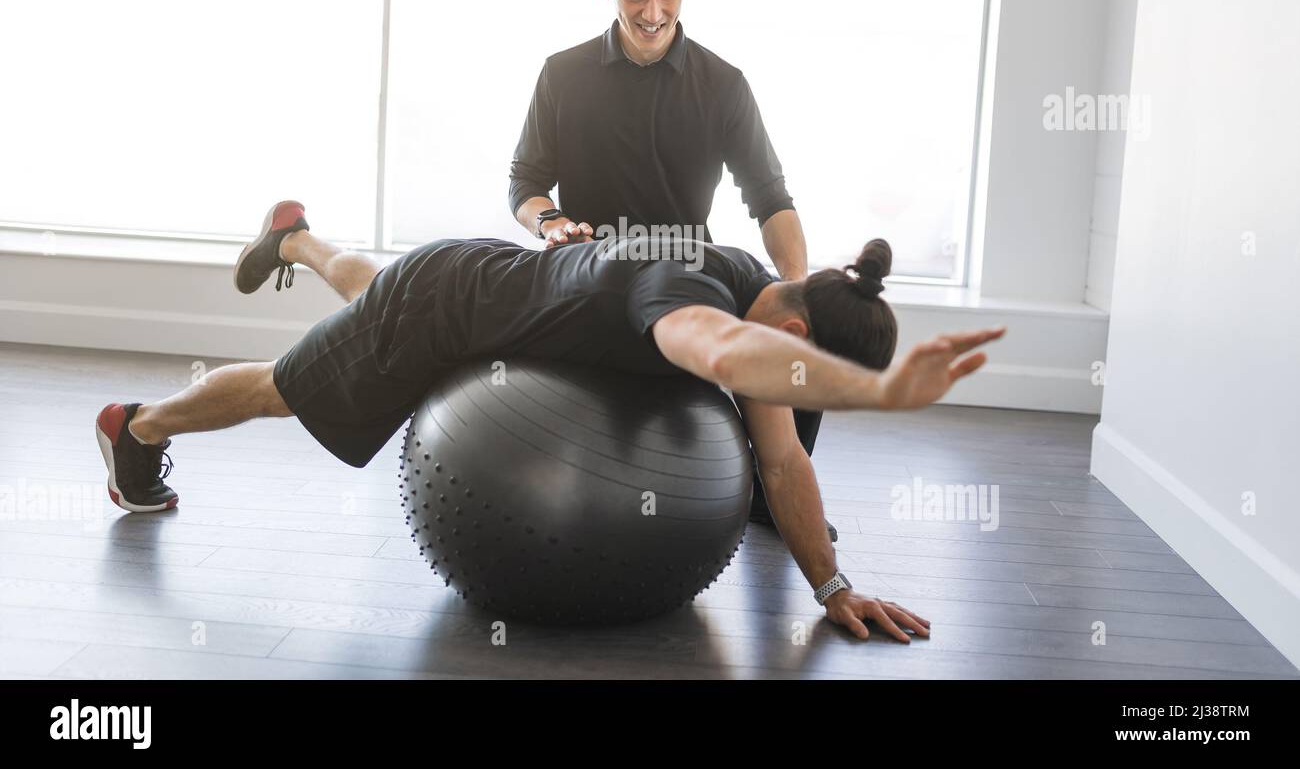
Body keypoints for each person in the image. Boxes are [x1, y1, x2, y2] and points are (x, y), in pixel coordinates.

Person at [95, 200, 1004, 641]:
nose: (806, 401)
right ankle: (137, 428)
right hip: (443, 308)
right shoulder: (697, 296)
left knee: (369, 298)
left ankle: (293, 235)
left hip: (477, 286)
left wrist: (833, 588)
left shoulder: (756, 300)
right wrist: (883, 392)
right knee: (286, 390)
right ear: (797, 330)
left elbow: (782, 466)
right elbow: (722, 358)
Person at [508, 0, 825, 532]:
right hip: (592, 273)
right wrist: (551, 225)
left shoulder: (724, 84)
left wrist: (797, 286)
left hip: (689, 274)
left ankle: (767, 493)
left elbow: (770, 196)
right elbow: (526, 183)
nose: (653, 12)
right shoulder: (563, 75)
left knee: (801, 332)